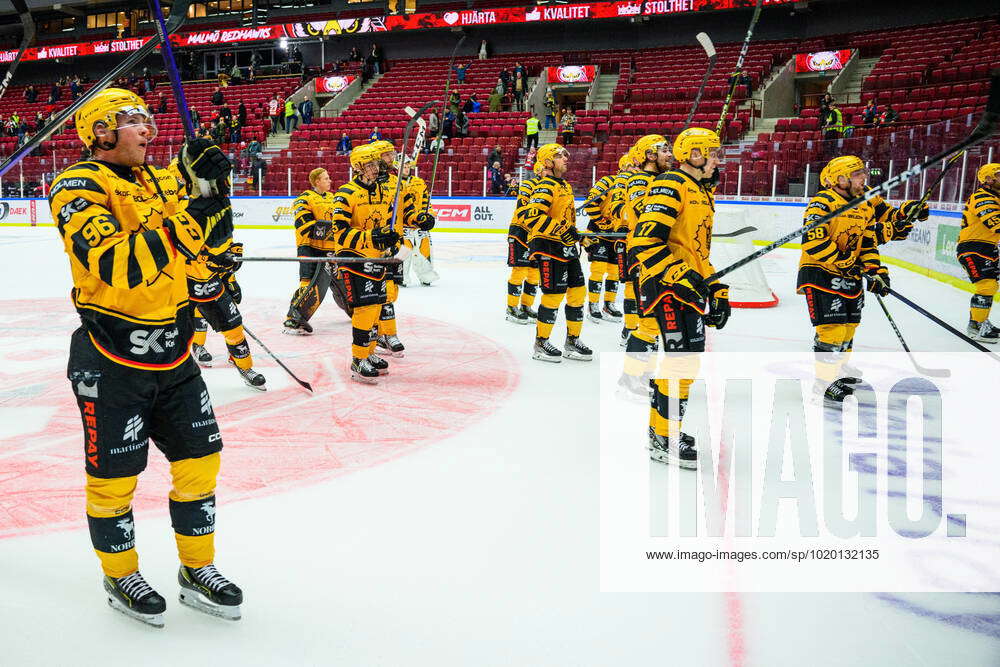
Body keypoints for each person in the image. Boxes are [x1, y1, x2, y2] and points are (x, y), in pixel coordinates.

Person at [51, 88, 242, 626]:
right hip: (111, 358)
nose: (147, 129)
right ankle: (120, 573)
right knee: (115, 479)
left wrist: (214, 195)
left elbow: (204, 257)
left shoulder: (158, 182)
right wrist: (185, 223)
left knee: (201, 464)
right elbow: (119, 265)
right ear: (100, 131)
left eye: (148, 118)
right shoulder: (76, 186)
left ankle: (195, 568)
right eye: (132, 120)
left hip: (175, 353)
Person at [630, 128, 725, 467]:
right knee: (681, 363)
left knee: (685, 364)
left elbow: (696, 251)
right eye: (712, 153)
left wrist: (716, 288)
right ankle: (662, 438)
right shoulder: (671, 185)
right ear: (695, 155)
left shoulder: (700, 191)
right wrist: (684, 277)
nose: (717, 159)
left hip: (684, 287)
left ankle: (663, 430)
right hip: (666, 287)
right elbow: (645, 243)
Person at [798, 155, 924, 403]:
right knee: (831, 330)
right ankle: (823, 383)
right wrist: (846, 262)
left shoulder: (864, 202)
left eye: (862, 173)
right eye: (857, 174)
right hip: (820, 272)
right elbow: (813, 242)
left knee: (848, 329)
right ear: (839, 179)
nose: (863, 177)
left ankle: (838, 371)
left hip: (850, 273)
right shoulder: (822, 203)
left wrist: (875, 269)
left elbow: (867, 241)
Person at [331, 144, 401, 383]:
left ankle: (369, 353)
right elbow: (339, 233)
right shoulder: (345, 193)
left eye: (377, 164)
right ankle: (358, 358)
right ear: (358, 168)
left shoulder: (383, 191)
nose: (376, 168)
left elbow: (388, 224)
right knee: (364, 308)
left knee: (377, 307)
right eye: (371, 165)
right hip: (353, 258)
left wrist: (392, 240)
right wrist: (372, 237)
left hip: (377, 257)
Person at [523, 143, 592, 362]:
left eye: (564, 155)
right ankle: (541, 343)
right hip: (548, 247)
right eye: (559, 156)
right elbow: (530, 216)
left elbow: (564, 220)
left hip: (566, 247)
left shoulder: (565, 186)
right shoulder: (545, 186)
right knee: (553, 296)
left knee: (578, 293)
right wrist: (563, 230)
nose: (565, 158)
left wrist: (577, 235)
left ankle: (572, 340)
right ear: (548, 162)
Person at [619, 135, 672, 395]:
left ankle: (644, 373)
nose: (669, 154)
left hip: (658, 255)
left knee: (656, 321)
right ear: (650, 155)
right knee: (649, 322)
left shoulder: (660, 180)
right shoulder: (640, 180)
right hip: (643, 255)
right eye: (663, 150)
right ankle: (631, 377)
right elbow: (643, 212)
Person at [283, 168, 342, 334]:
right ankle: (292, 319)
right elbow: (306, 226)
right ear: (317, 181)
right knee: (307, 283)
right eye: (326, 178)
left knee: (343, 283)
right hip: (308, 247)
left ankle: (354, 309)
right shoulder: (303, 199)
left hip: (330, 250)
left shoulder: (334, 198)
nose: (330, 181)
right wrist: (336, 230)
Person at [957, 163, 1000, 342]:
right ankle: (975, 326)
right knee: (986, 286)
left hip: (986, 247)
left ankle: (981, 321)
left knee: (990, 286)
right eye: (998, 175)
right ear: (988, 179)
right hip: (973, 247)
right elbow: (995, 223)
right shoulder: (982, 197)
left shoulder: (994, 196)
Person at [583, 166, 625, 325]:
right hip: (597, 234)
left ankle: (609, 304)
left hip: (616, 236)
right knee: (598, 270)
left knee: (615, 272)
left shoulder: (634, 186)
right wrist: (603, 222)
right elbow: (590, 203)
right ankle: (593, 305)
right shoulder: (608, 181)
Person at [505, 162, 544, 324]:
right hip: (520, 231)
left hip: (536, 233)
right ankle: (511, 307)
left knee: (534, 272)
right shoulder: (529, 185)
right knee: (519, 270)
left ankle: (526, 306)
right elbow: (523, 210)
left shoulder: (554, 186)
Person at [396, 156, 439, 287]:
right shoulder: (394, 183)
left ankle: (426, 276)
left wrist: (429, 215)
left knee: (425, 251)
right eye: (404, 166)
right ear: (397, 167)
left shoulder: (419, 182)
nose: (407, 168)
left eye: (408, 166)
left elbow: (427, 203)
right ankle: (401, 277)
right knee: (404, 253)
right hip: (404, 226)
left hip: (420, 225)